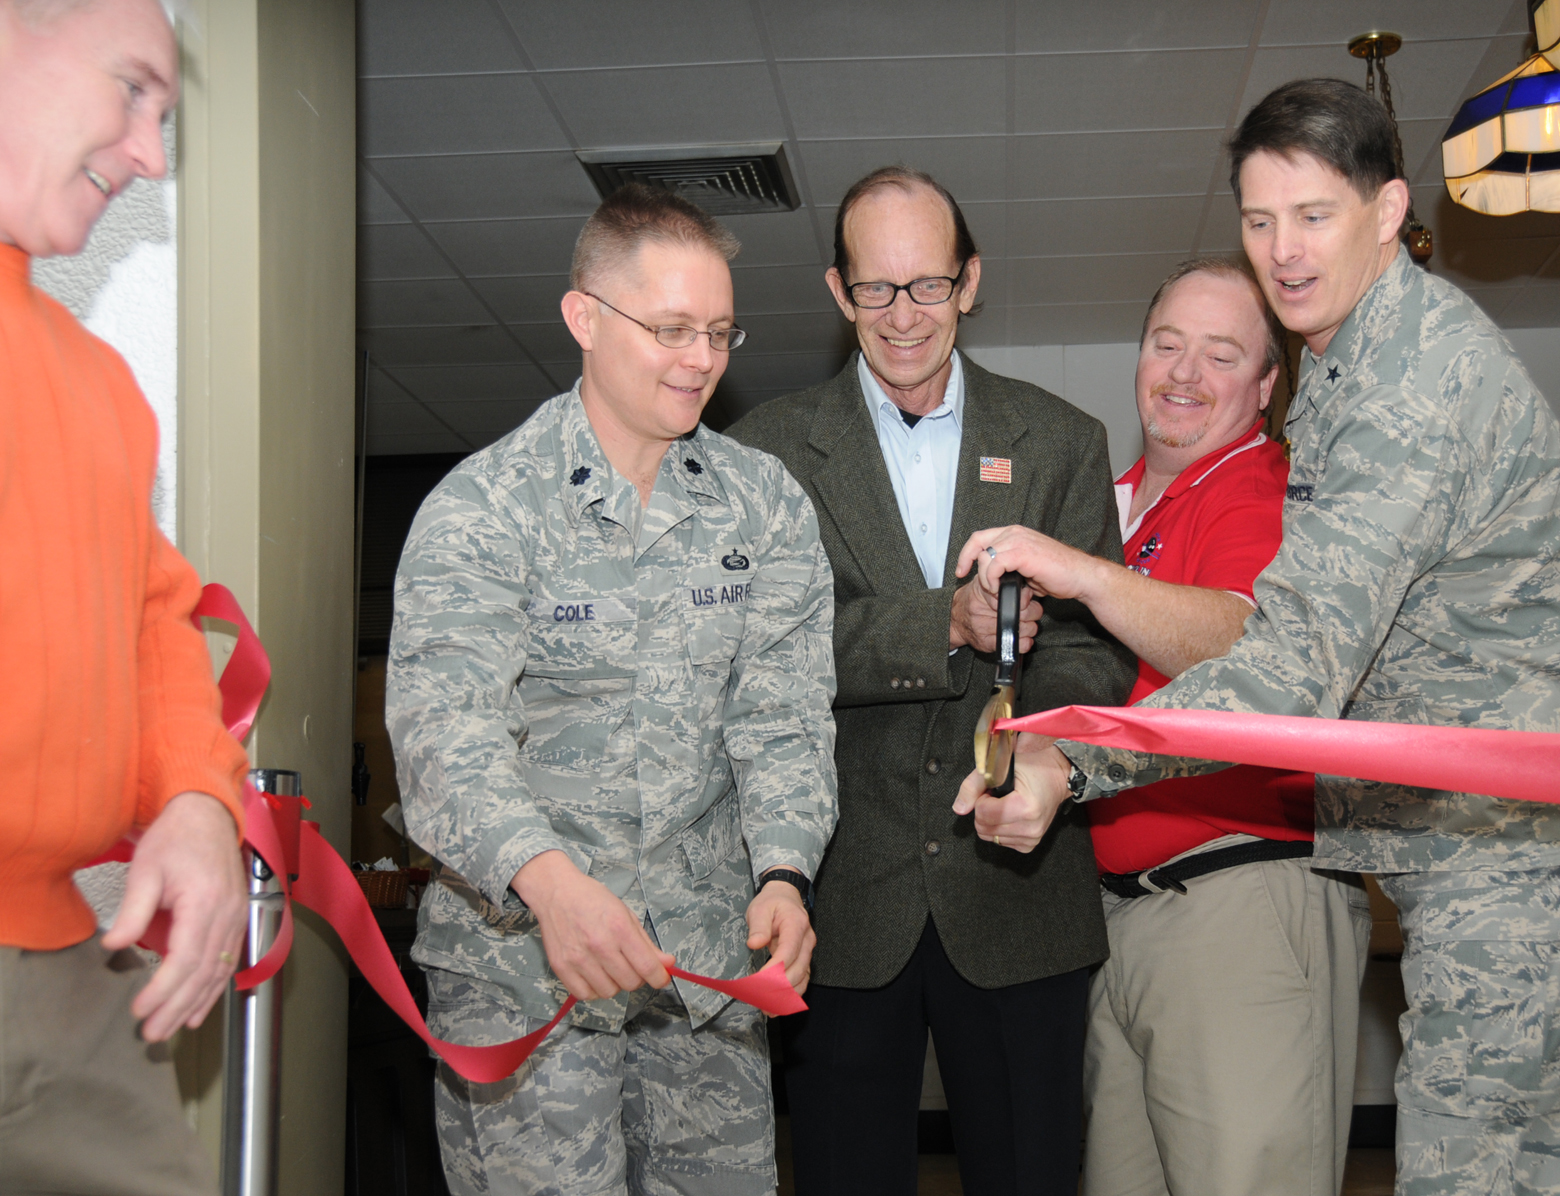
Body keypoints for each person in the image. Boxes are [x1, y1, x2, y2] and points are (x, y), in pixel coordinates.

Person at [959, 78, 1560, 1196]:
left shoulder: (1408, 379)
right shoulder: (1343, 363)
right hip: (1461, 829)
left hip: (1522, 828)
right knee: (1536, 1152)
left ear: (1388, 210)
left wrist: (1074, 760)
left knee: (1476, 1159)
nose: (1281, 250)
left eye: (1313, 214)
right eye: (1258, 218)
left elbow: (1290, 668)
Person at [386, 183, 838, 1196]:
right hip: (524, 971)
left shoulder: (761, 505)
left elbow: (785, 716)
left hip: (704, 973)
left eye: (719, 331)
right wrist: (550, 884)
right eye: (671, 328)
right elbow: (443, 732)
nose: (701, 359)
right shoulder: (486, 506)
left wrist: (784, 873)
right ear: (584, 317)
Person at [730, 165, 1136, 1196]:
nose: (903, 316)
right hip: (843, 902)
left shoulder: (1062, 441)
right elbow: (754, 656)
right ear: (837, 291)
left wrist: (1043, 752)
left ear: (971, 281)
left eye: (928, 285)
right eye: (876, 288)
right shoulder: (762, 454)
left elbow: (1099, 658)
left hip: (1019, 893)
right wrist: (938, 624)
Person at [954, 255, 1369, 1196]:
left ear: (1267, 388)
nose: (1183, 373)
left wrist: (1089, 576)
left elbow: (1250, 648)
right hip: (1116, 917)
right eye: (1166, 344)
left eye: (1221, 355)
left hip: (1241, 903)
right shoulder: (1114, 498)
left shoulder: (1269, 490)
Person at [0, 0, 252, 1192]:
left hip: (60, 967)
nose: (154, 154)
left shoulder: (99, 385)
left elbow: (156, 626)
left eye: (169, 115)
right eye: (134, 91)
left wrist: (199, 803)